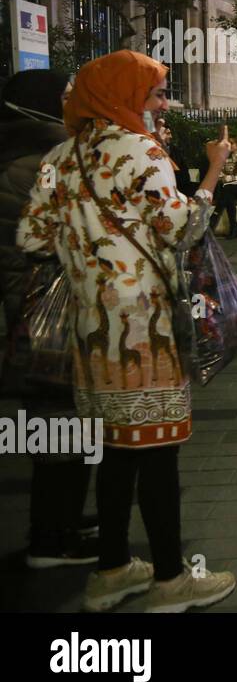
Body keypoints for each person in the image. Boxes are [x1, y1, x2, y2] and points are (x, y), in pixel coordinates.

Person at [17, 49, 237, 612]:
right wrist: (213, 171)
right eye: (156, 94)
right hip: (146, 329)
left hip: (90, 329)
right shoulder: (141, 151)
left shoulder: (59, 158)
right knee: (159, 453)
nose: (163, 104)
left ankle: (111, 568)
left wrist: (85, 248)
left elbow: (32, 241)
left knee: (115, 451)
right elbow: (183, 229)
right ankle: (170, 580)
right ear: (124, 96)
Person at [1, 70, 97, 569]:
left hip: (33, 315)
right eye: (65, 98)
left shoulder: (30, 156)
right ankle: (50, 539)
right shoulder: (39, 164)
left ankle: (61, 523)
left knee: (63, 426)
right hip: (44, 317)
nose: (73, 106)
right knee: (61, 426)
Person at [210, 136, 237, 238]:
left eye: (232, 143)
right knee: (228, 195)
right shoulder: (225, 158)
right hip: (228, 189)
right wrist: (226, 178)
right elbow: (219, 174)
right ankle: (234, 227)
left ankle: (213, 220)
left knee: (227, 191)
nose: (229, 145)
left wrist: (230, 178)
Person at [151, 115, 195, 198]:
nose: (170, 137)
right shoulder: (150, 149)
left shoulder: (176, 150)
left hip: (182, 190)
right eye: (167, 133)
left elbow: (188, 170)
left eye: (170, 133)